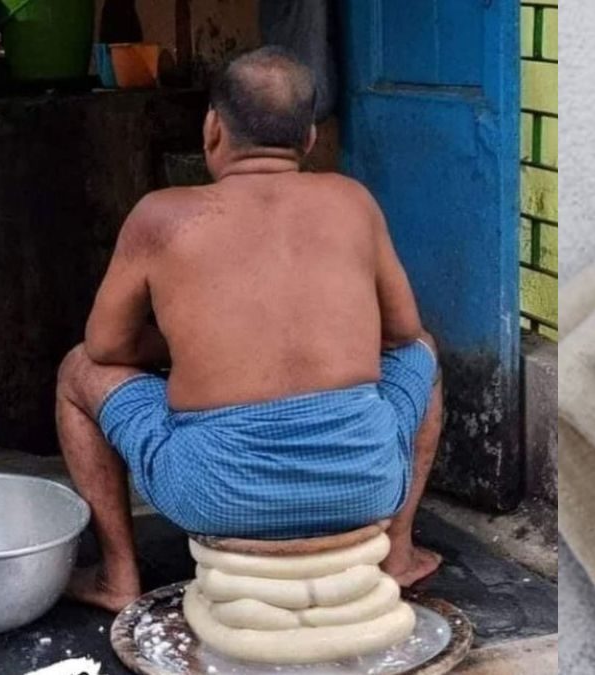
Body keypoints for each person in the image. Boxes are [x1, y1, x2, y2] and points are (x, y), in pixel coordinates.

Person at [56, 46, 443, 612]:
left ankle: (119, 578)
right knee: (424, 353)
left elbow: (106, 346)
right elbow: (402, 332)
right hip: (365, 482)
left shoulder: (160, 215)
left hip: (213, 496)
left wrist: (190, 345)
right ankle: (398, 552)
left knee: (77, 370)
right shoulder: (352, 201)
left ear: (212, 128)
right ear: (308, 137)